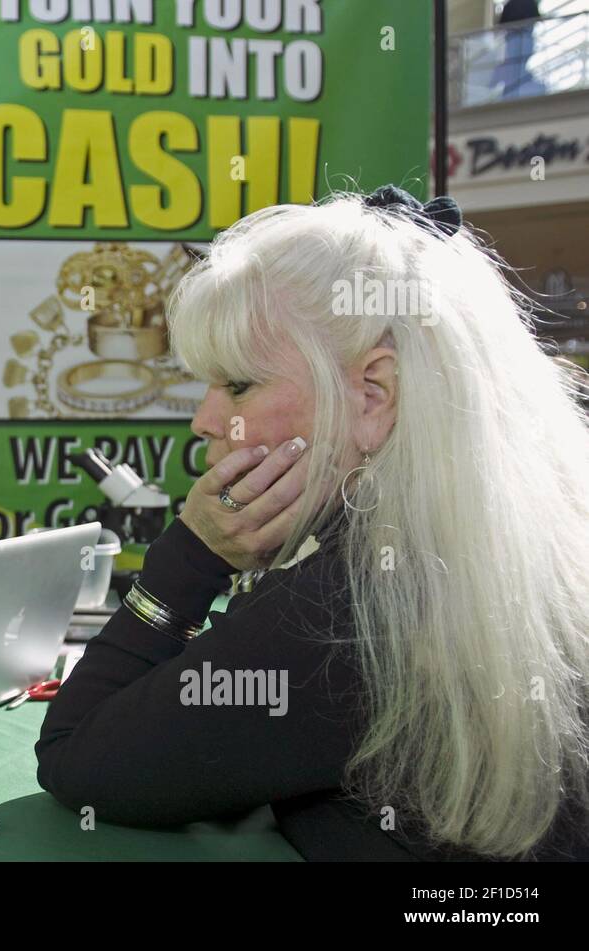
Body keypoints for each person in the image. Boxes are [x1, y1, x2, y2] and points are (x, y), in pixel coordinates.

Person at [36, 185, 589, 860]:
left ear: (371, 395)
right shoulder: (498, 547)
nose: (204, 420)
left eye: (238, 384)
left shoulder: (344, 613)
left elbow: (75, 760)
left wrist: (192, 555)